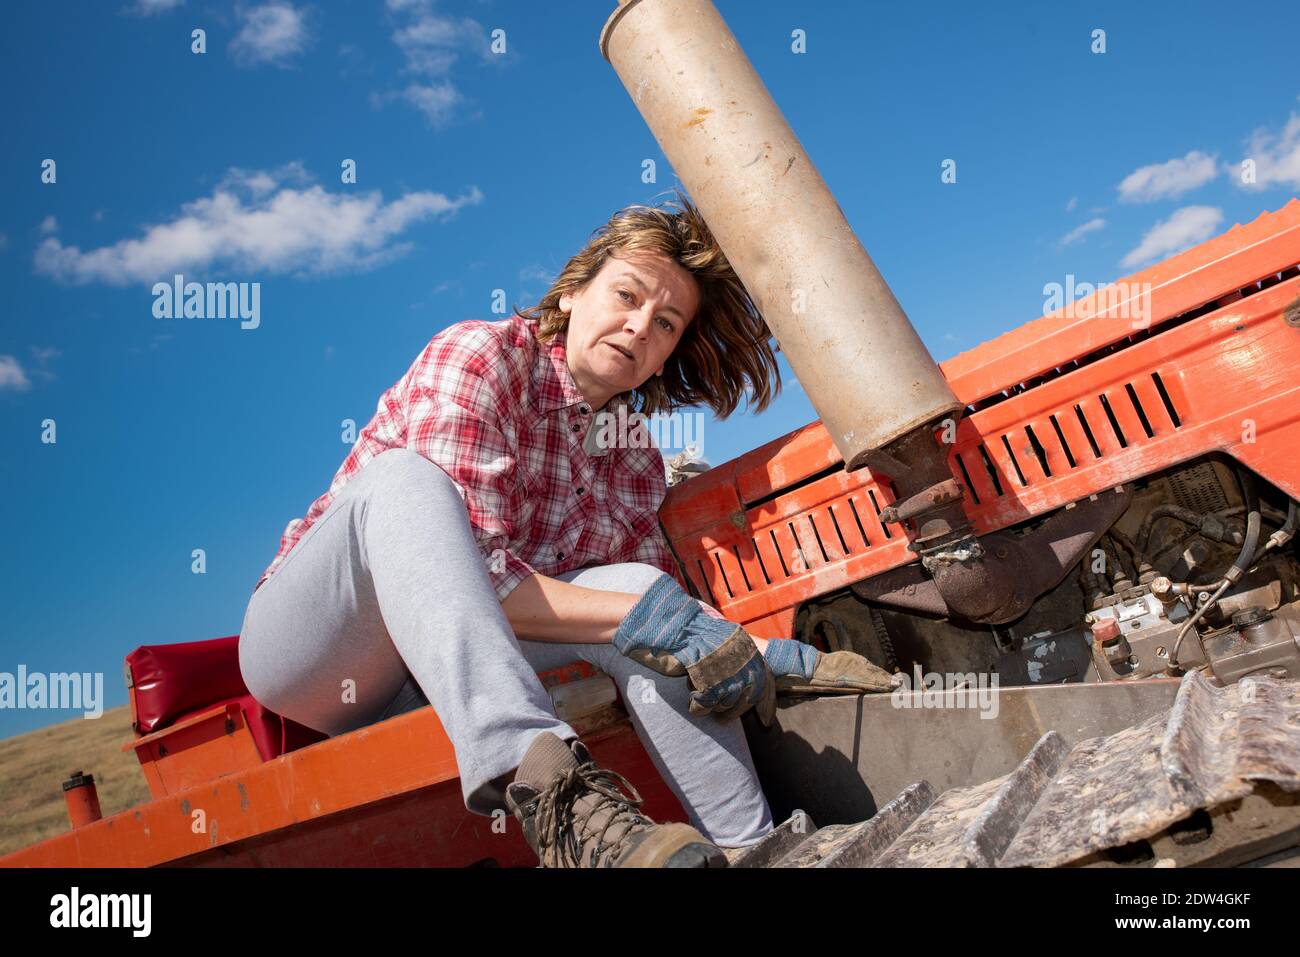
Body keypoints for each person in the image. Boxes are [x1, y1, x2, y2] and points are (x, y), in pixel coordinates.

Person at [237, 192, 893, 869]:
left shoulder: (634, 458)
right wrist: (658, 617)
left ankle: (756, 847)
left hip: (457, 663)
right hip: (327, 653)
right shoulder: (481, 357)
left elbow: (645, 616)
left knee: (640, 587)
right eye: (627, 296)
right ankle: (558, 797)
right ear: (574, 291)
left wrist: (761, 650)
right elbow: (481, 575)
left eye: (666, 323)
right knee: (408, 481)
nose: (641, 327)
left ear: (667, 354)